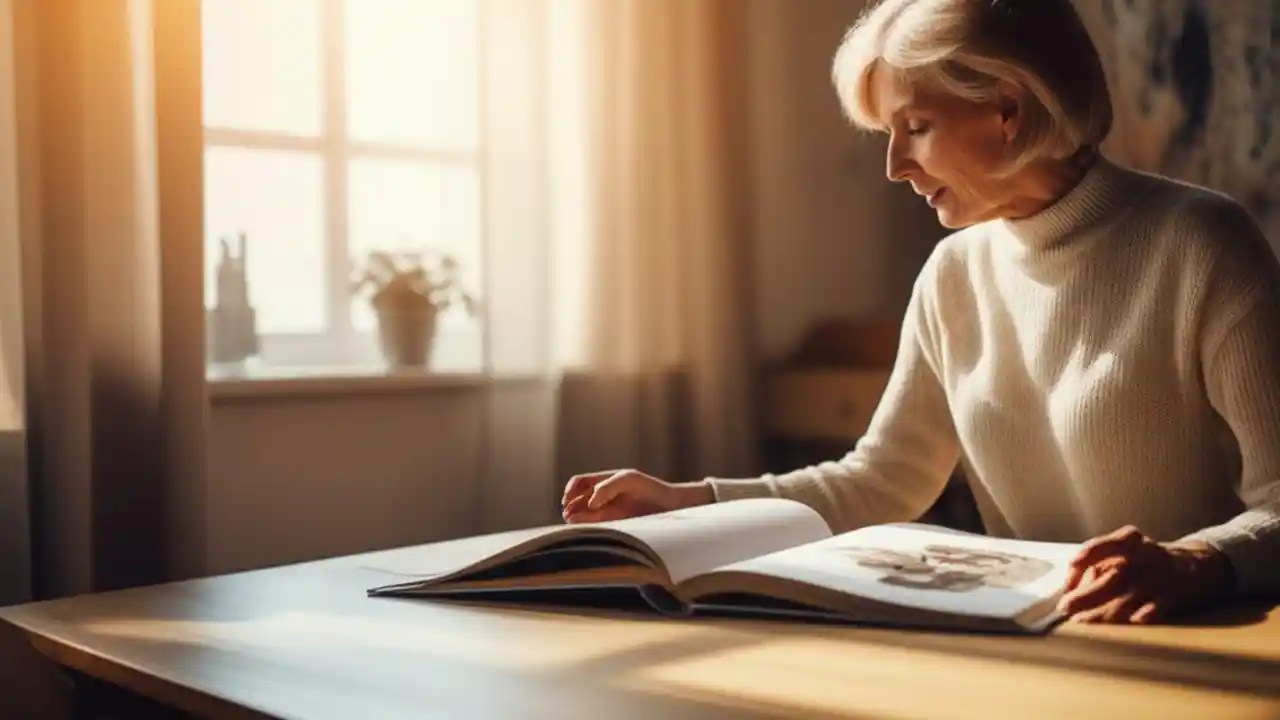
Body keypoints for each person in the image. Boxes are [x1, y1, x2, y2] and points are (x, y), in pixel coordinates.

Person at [561, 0, 1280, 624]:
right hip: (1044, 641)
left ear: (1008, 107)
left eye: (916, 127)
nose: (895, 166)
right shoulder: (954, 274)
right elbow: (880, 481)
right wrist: (687, 502)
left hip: (1205, 649)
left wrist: (1194, 564)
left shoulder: (1204, 245)